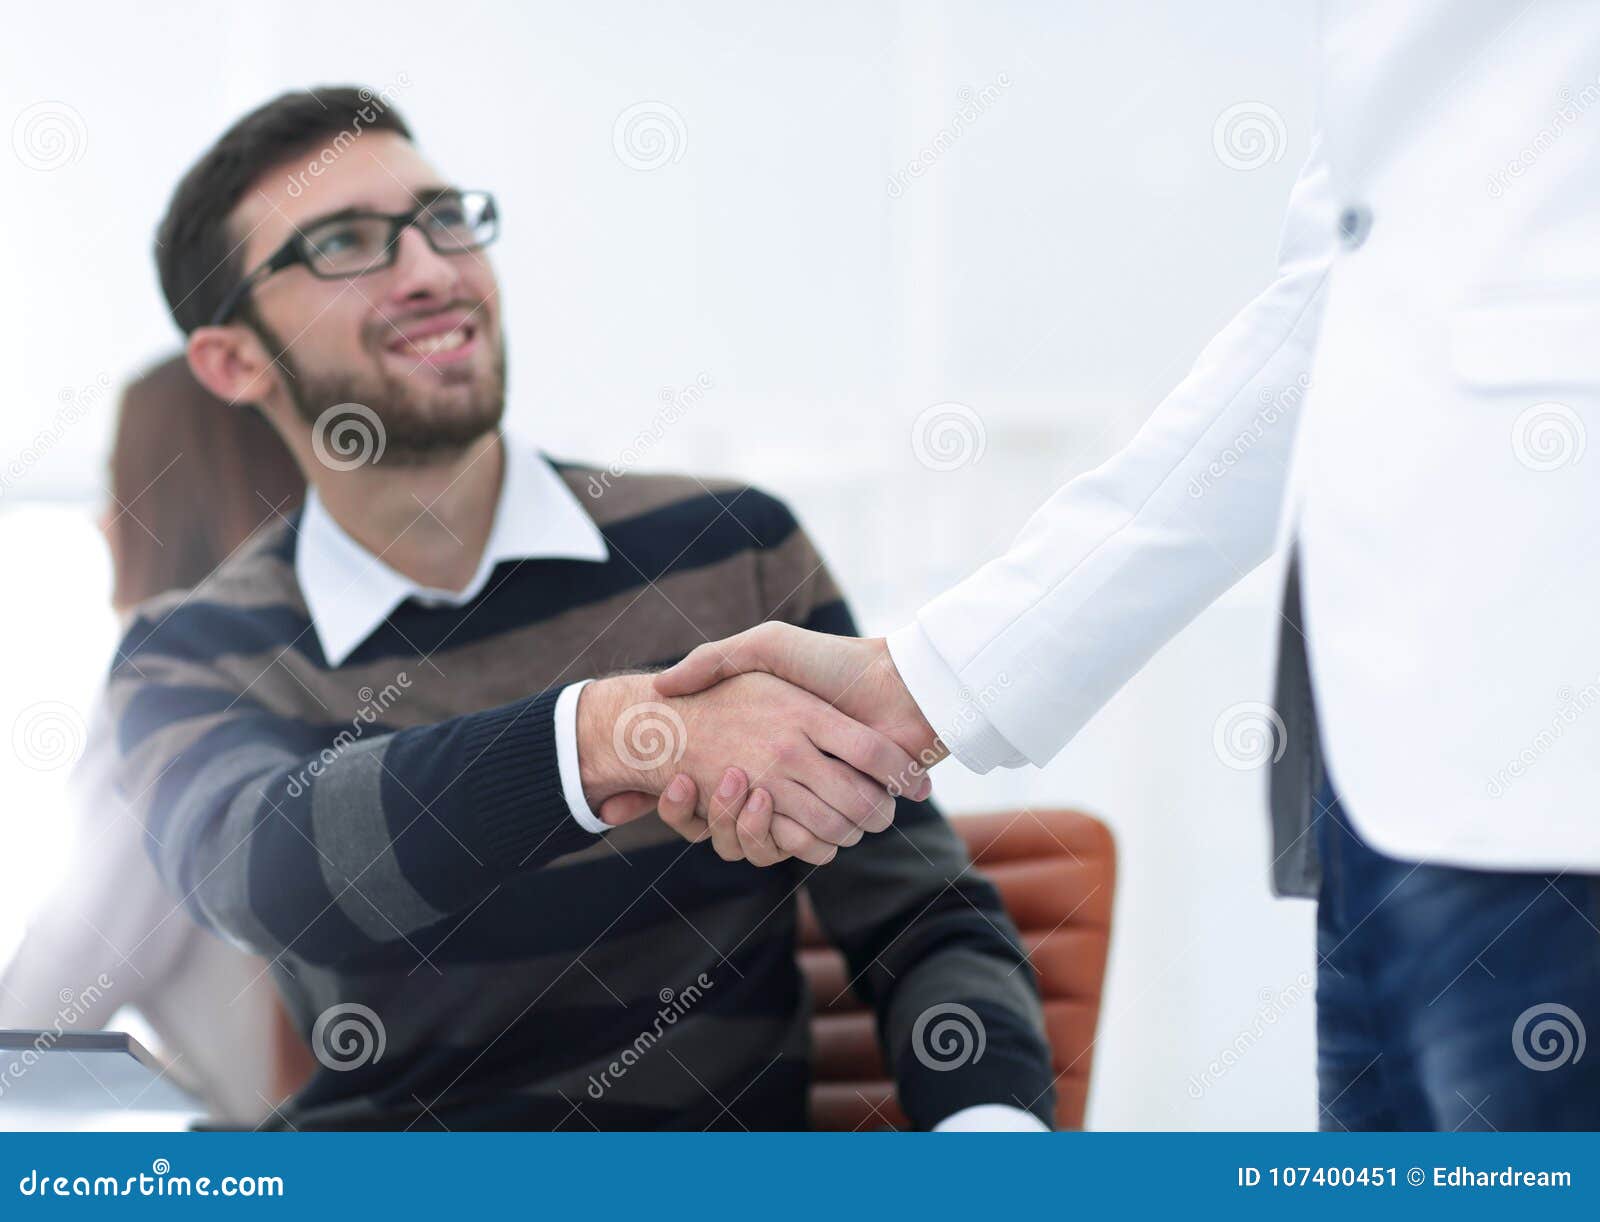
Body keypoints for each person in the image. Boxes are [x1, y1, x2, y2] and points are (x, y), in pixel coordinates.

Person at [659, 8, 1600, 1132]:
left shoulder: (727, 547)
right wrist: (928, 677)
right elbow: (1326, 322)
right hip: (1391, 778)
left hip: (1541, 750)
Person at [109, 88, 1054, 1130]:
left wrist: (988, 1139)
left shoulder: (730, 553)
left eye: (445, 219)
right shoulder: (191, 652)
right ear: (232, 361)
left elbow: (920, 913)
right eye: (343, 243)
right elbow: (268, 872)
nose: (432, 271)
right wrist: (608, 738)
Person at [0, 355, 314, 1123]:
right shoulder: (348, 650)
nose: (100, 518)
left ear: (164, 502)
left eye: (118, 481)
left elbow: (45, 1010)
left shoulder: (167, 683)